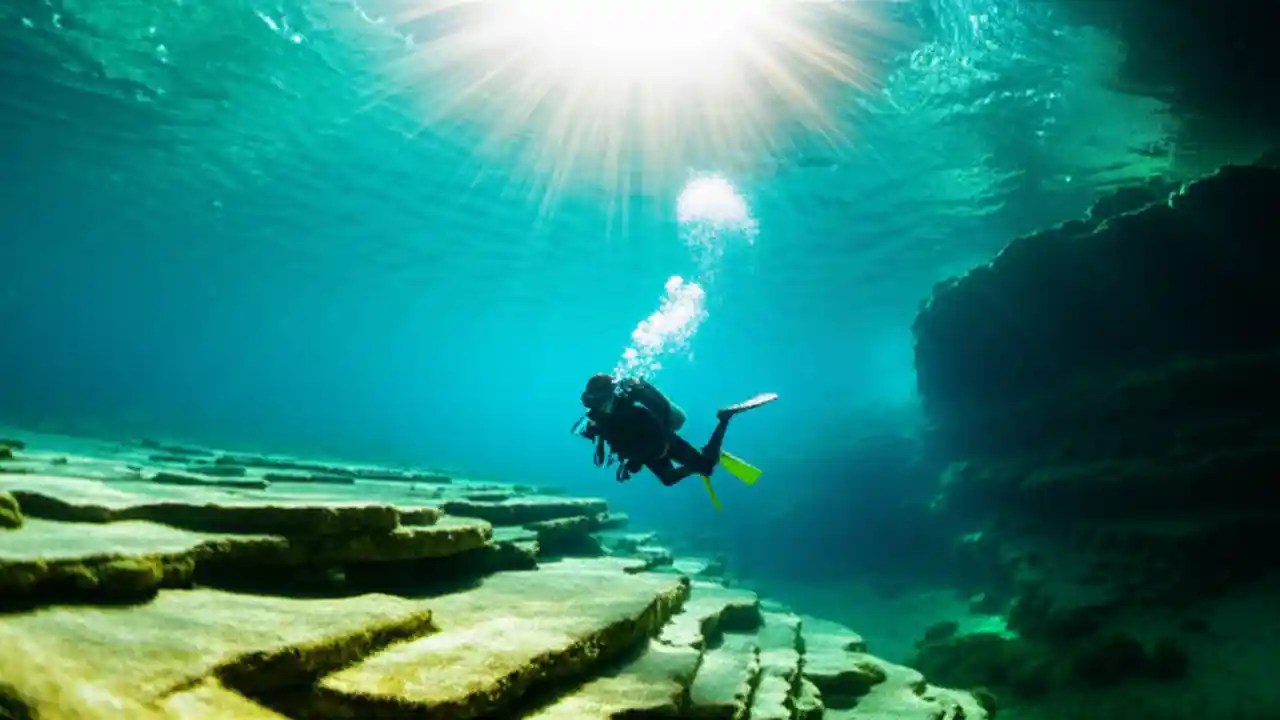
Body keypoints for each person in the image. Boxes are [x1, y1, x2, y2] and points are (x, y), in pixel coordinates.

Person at [575, 372, 775, 486]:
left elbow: (661, 411)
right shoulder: (597, 417)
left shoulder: (623, 401)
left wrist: (663, 442)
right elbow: (614, 443)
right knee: (670, 479)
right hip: (646, 451)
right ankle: (704, 458)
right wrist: (631, 463)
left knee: (706, 467)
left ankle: (724, 418)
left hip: (661, 440)